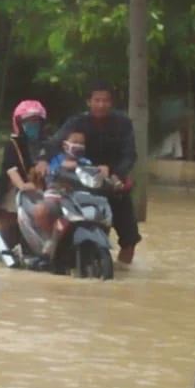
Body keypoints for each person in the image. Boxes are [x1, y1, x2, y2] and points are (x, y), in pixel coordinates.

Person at [37, 80, 141, 264]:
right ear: (89, 102)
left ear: (111, 103)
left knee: (130, 240)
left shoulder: (123, 123)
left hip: (111, 185)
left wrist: (116, 174)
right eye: (97, 100)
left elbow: (129, 155)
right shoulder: (77, 122)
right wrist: (44, 160)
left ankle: (123, 271)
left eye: (106, 100)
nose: (101, 105)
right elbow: (54, 143)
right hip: (79, 185)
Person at [0, 100, 46, 248]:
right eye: (28, 122)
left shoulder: (47, 144)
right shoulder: (13, 145)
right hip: (13, 191)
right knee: (10, 226)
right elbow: (11, 170)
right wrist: (22, 185)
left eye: (36, 122)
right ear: (20, 124)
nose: (33, 126)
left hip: (41, 192)